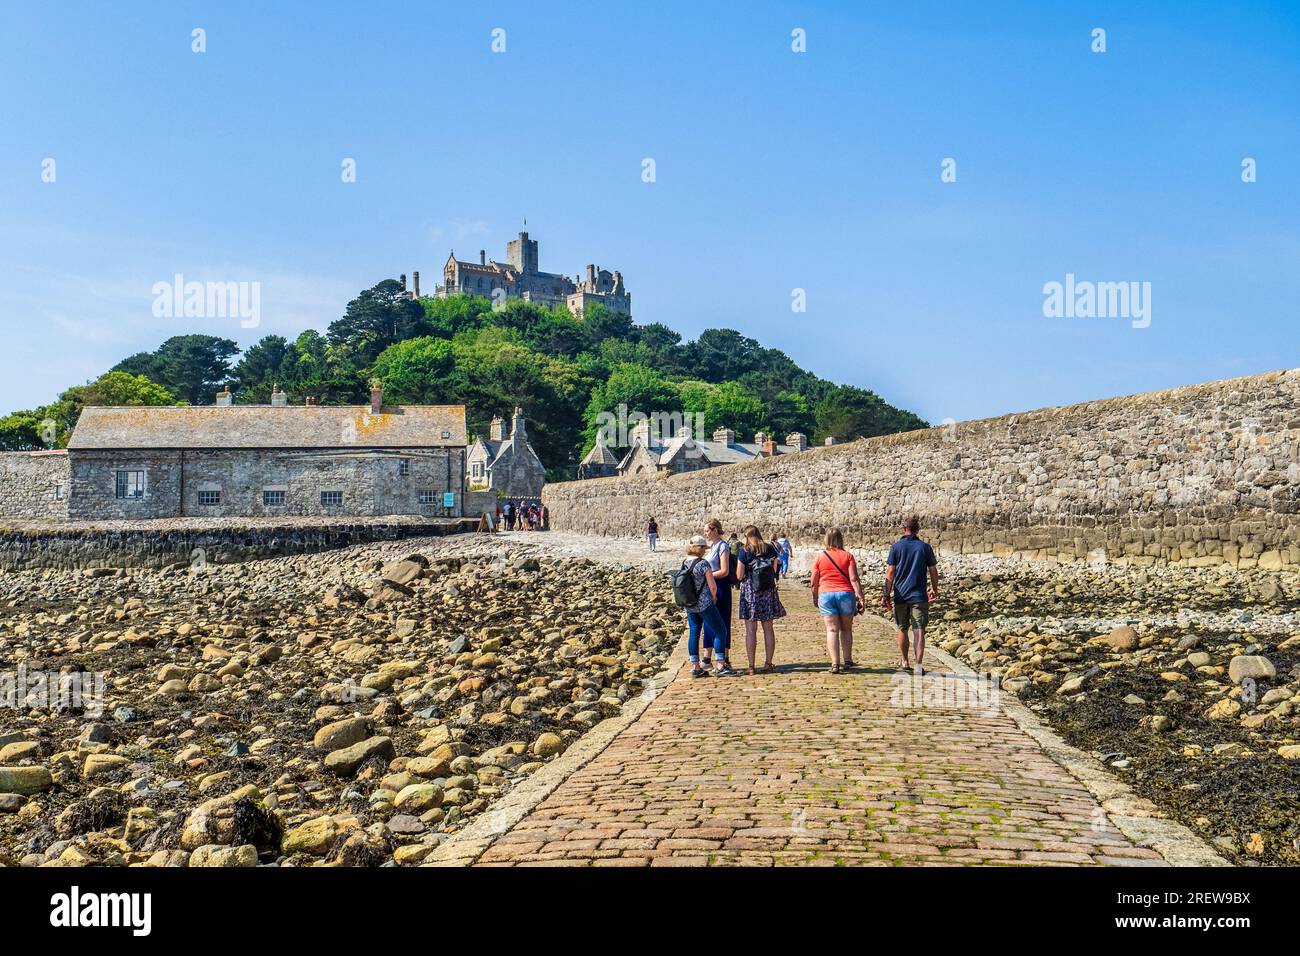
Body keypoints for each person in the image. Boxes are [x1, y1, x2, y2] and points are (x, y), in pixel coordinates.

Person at [883, 515, 939, 676]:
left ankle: (904, 660)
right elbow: (933, 570)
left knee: (902, 628)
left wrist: (886, 594)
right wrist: (934, 589)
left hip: (901, 595)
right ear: (917, 530)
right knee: (919, 629)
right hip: (919, 596)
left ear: (904, 529)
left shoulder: (896, 547)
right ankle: (918, 665)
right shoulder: (925, 548)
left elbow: (890, 572)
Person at [810, 528, 864, 674]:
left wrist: (815, 596)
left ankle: (835, 663)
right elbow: (853, 579)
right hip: (845, 594)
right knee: (846, 629)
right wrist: (860, 596)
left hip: (826, 594)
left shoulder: (820, 557)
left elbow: (814, 581)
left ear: (826, 540)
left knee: (831, 629)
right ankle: (847, 660)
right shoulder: (848, 556)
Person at [678, 535, 732, 677]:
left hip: (690, 604)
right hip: (704, 603)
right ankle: (721, 664)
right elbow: (712, 586)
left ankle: (695, 667)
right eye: (703, 548)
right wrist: (713, 597)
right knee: (720, 630)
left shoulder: (685, 562)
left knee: (694, 633)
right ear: (700, 548)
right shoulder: (703, 564)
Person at [736, 525, 786, 674]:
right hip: (767, 590)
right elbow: (775, 567)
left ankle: (751, 666)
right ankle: (768, 664)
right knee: (768, 629)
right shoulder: (769, 548)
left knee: (751, 630)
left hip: (750, 591)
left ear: (746, 536)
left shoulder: (744, 551)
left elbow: (739, 575)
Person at [703, 519, 735, 670]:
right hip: (711, 587)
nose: (705, 533)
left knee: (722, 623)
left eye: (707, 530)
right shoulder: (712, 547)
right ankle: (707, 657)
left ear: (715, 530)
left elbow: (725, 571)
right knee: (709, 622)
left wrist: (707, 575)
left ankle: (724, 658)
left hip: (721, 588)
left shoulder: (723, 547)